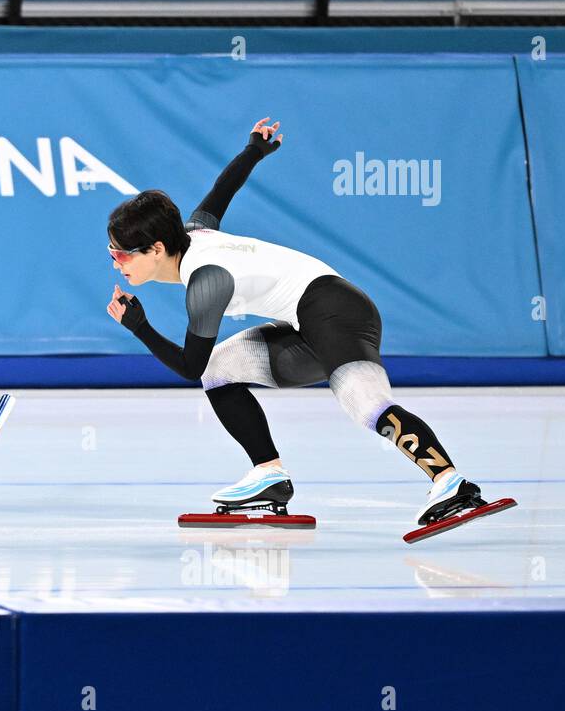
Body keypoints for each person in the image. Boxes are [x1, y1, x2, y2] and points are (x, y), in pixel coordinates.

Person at [105, 117, 483, 527]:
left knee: (366, 404)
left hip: (337, 311)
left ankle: (451, 482)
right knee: (220, 370)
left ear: (157, 248)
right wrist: (254, 151)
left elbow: (187, 367)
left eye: (123, 254)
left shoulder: (206, 281)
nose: (116, 262)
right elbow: (222, 190)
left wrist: (139, 327)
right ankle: (269, 474)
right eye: (111, 251)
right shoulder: (194, 232)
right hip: (306, 323)